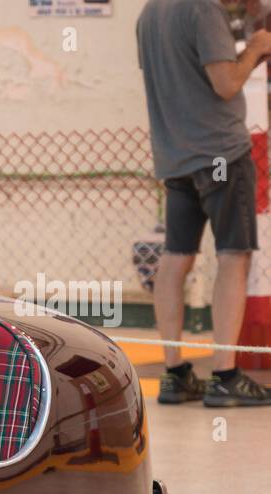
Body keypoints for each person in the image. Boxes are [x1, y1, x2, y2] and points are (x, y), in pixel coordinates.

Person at [138, 0, 271, 406]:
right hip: (219, 157)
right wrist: (256, 47)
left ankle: (175, 372)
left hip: (175, 158)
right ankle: (225, 374)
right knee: (233, 254)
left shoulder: (149, 14)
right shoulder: (202, 9)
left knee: (177, 257)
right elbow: (226, 83)